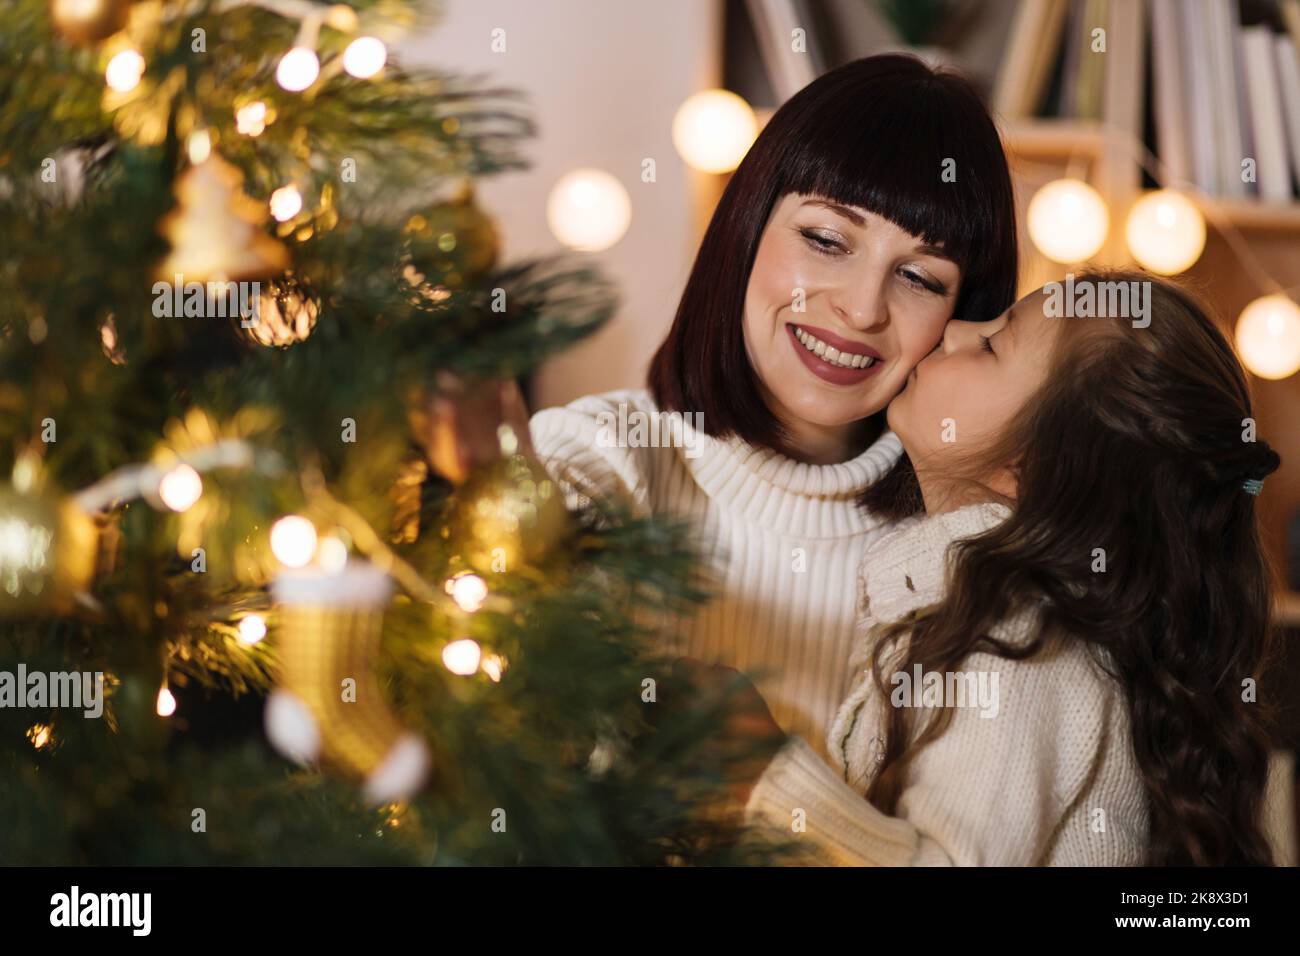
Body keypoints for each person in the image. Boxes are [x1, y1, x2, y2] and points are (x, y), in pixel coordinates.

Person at [431, 54, 1019, 760]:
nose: (862, 309)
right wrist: (505, 494)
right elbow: (549, 511)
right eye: (827, 239)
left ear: (964, 319)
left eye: (919, 277)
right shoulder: (614, 450)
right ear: (745, 228)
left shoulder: (965, 561)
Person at [697, 272, 1279, 866]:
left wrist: (760, 771)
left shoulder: (1019, 646)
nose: (955, 330)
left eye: (994, 344)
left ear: (1035, 468)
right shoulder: (979, 610)